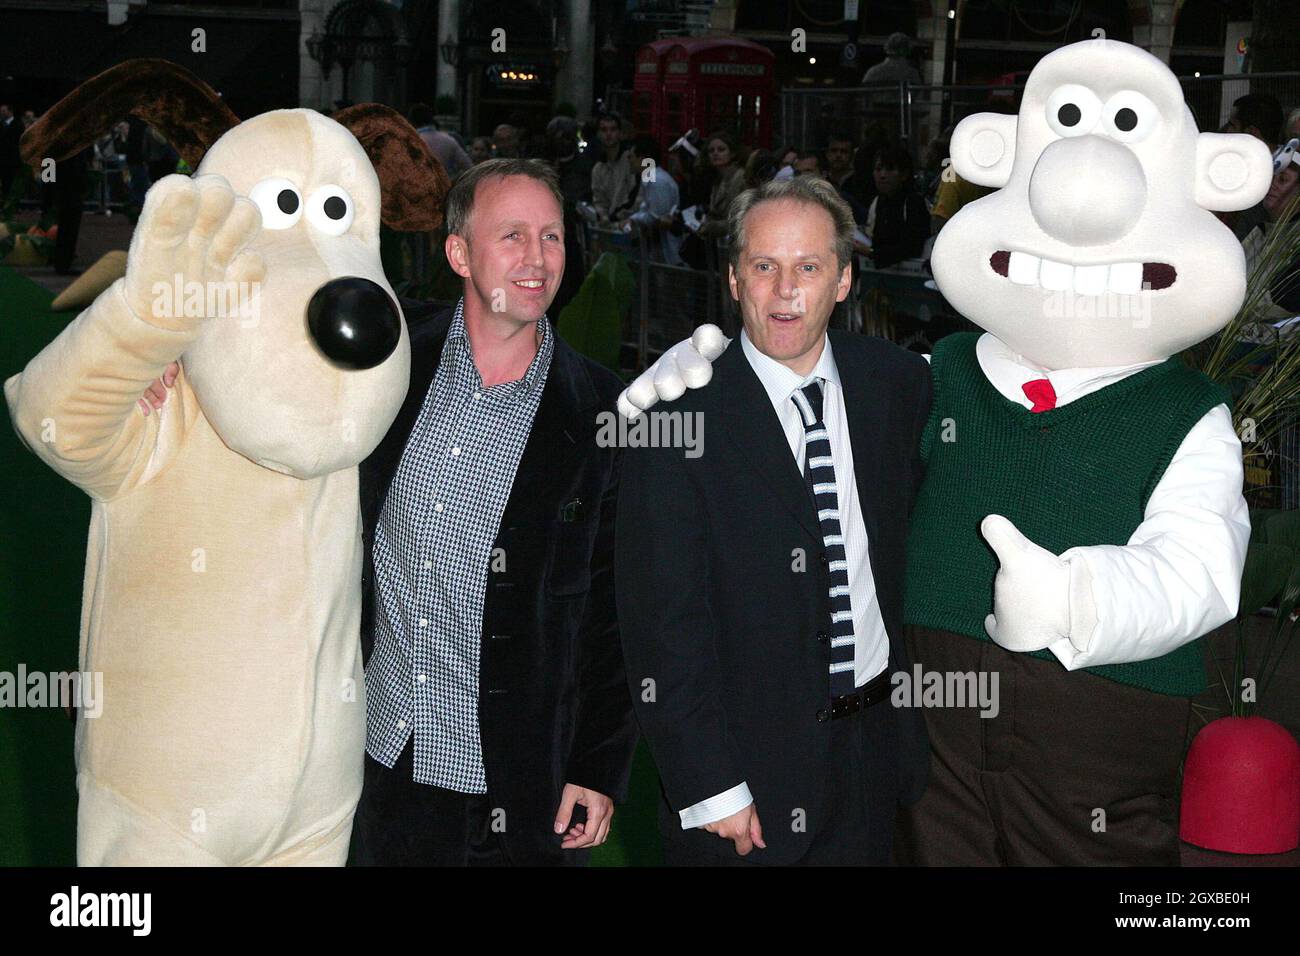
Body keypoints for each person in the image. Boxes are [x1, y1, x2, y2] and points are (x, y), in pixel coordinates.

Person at [616, 175, 932, 865]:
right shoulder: (673, 421)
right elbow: (661, 626)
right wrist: (711, 784)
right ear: (733, 279)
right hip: (745, 775)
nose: (785, 290)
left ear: (845, 280)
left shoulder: (896, 384)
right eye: (765, 267)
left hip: (874, 750)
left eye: (809, 267)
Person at [619, 134, 682, 265]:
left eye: (631, 156)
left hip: (669, 253)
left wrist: (633, 219)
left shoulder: (657, 181)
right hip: (660, 252)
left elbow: (657, 217)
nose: (629, 160)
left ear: (642, 158)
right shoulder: (650, 179)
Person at [865, 144, 929, 268]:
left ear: (904, 175)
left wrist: (872, 253)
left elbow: (912, 247)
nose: (882, 175)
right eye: (878, 169)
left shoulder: (914, 202)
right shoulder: (878, 202)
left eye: (889, 169)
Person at [695, 130, 747, 240]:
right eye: (711, 151)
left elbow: (743, 218)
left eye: (721, 149)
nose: (715, 153)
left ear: (732, 153)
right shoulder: (717, 179)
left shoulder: (741, 178)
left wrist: (713, 226)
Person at [590, 111, 635, 223]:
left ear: (620, 133)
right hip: (611, 225)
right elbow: (599, 200)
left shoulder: (632, 160)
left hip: (632, 223)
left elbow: (640, 194)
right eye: (604, 130)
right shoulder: (598, 168)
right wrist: (604, 218)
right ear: (598, 134)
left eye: (613, 129)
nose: (608, 134)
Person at [408, 103, 471, 179]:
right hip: (444, 186)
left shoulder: (411, 141)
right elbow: (469, 167)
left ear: (411, 122)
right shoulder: (449, 140)